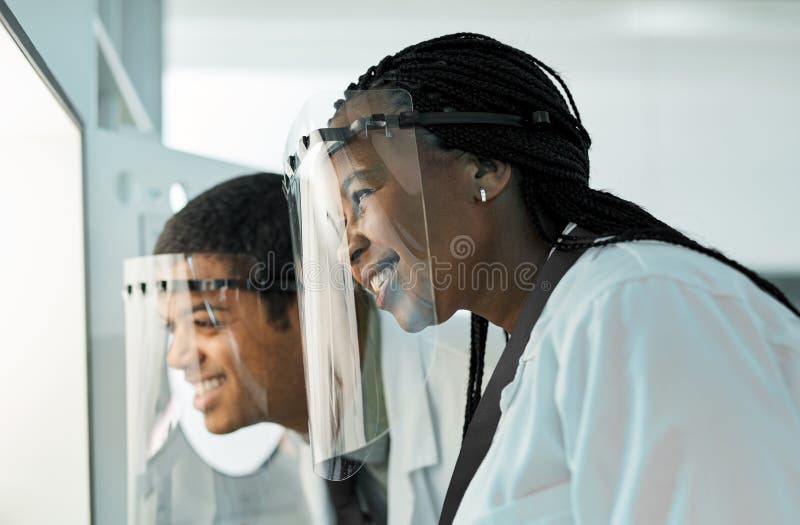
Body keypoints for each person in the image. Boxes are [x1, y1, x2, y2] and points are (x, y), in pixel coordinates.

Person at [284, 33, 800, 524]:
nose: (347, 244)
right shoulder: (544, 339)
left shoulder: (638, 305)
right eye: (339, 220)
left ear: (484, 167)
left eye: (360, 195)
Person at [124, 173, 332, 524]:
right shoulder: (307, 452)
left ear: (306, 309)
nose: (176, 358)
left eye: (203, 322)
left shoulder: (455, 405)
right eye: (173, 328)